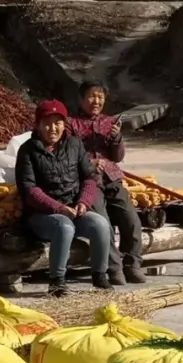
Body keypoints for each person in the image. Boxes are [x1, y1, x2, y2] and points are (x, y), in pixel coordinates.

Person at [16, 100, 113, 298]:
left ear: (64, 124)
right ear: (38, 125)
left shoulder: (74, 145)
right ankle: (57, 282)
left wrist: (83, 202)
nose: (53, 128)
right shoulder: (27, 151)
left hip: (74, 208)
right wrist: (58, 207)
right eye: (47, 123)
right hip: (42, 214)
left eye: (57, 123)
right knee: (64, 226)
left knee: (100, 224)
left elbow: (89, 177)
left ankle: (100, 275)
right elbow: (29, 190)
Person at [67, 80, 145, 283]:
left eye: (100, 97)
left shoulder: (110, 122)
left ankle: (133, 263)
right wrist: (88, 162)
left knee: (132, 220)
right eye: (91, 96)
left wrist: (117, 139)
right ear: (81, 99)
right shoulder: (70, 123)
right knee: (104, 223)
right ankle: (114, 268)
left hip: (111, 178)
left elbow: (117, 157)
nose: (96, 101)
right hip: (87, 181)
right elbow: (67, 155)